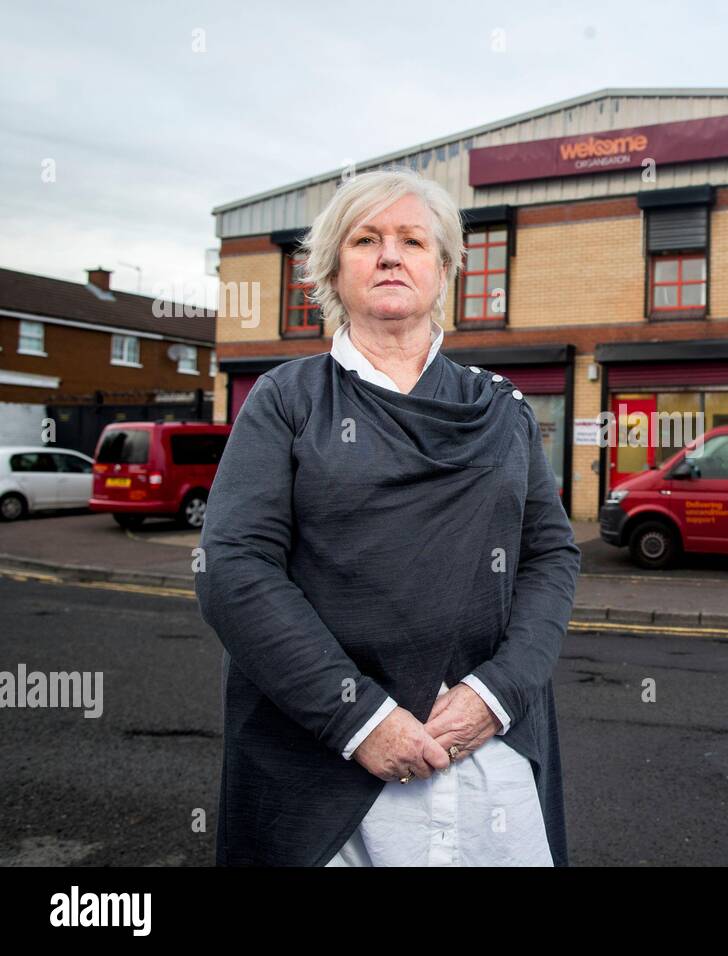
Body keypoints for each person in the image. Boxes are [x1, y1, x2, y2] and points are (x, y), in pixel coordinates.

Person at [195, 167, 581, 866]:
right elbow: (235, 568)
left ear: (443, 271)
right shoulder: (289, 400)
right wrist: (360, 718)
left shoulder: (503, 407)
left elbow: (550, 558)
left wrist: (497, 694)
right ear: (334, 272)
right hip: (324, 766)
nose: (391, 254)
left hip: (488, 762)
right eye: (366, 239)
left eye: (413, 240)